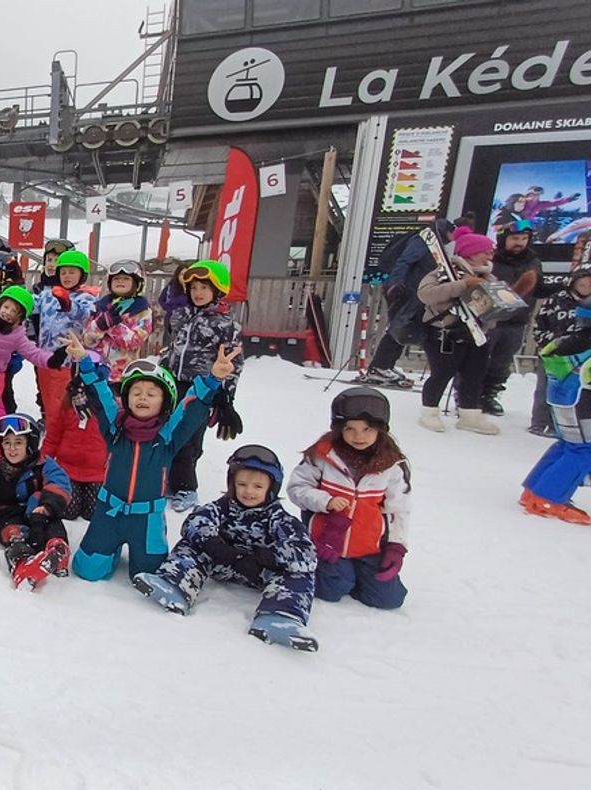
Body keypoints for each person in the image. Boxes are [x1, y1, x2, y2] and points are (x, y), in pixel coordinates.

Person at [67, 333, 240, 584]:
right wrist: (84, 362)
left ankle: (137, 554)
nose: (143, 397)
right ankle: (108, 549)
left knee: (148, 576)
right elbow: (101, 394)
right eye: (136, 392)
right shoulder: (116, 430)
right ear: (127, 399)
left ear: (164, 401)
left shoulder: (167, 436)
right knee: (87, 570)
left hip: (146, 519)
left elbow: (190, 410)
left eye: (151, 393)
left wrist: (213, 379)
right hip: (109, 512)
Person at [133, 445, 319, 652]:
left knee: (301, 573)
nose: (248, 491)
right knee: (190, 545)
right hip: (222, 561)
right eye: (242, 484)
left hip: (259, 571)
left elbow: (307, 553)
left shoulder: (279, 519)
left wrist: (267, 557)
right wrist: (214, 546)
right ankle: (174, 585)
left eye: (257, 486)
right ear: (232, 483)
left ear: (271, 489)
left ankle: (280, 617)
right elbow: (194, 522)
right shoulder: (222, 507)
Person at [286, 387, 410, 610]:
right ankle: (339, 574)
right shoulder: (323, 456)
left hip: (369, 547)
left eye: (367, 429)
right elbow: (297, 488)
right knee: (331, 590)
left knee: (389, 599)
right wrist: (324, 501)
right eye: (350, 429)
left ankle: (358, 575)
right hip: (328, 544)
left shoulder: (390, 465)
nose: (358, 436)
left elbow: (398, 508)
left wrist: (395, 547)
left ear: (380, 429)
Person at [159, 259, 244, 511]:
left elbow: (233, 363)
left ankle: (186, 487)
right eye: (194, 288)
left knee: (189, 437)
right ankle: (165, 480)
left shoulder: (225, 324)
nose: (198, 293)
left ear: (217, 291)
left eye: (204, 288)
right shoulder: (180, 315)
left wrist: (225, 397)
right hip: (173, 383)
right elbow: (173, 345)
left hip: (202, 387)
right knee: (165, 431)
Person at [415, 227, 500, 434]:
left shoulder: (489, 277)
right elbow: (425, 294)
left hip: (477, 333)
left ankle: (470, 414)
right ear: (470, 252)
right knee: (442, 373)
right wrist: (463, 285)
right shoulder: (444, 272)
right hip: (445, 333)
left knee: (475, 374)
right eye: (485, 251)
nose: (490, 255)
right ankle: (429, 412)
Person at [365, 217, 462, 385]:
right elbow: (405, 260)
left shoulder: (434, 242)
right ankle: (379, 367)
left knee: (405, 328)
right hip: (405, 289)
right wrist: (395, 283)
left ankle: (386, 365)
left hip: (413, 290)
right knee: (399, 326)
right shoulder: (423, 240)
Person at [521, 302, 591, 523]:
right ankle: (547, 499)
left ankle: (533, 490)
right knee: (584, 451)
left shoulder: (570, 341)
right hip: (581, 403)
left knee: (566, 446)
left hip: (564, 400)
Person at [0, 412, 72, 590]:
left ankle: (57, 550)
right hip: (10, 514)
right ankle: (22, 563)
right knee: (13, 535)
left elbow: (60, 483)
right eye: (7, 443)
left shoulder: (43, 464)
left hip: (41, 510)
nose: (12, 449)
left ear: (30, 444)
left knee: (53, 525)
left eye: (18, 443)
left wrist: (46, 506)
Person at [478, 219, 544, 416]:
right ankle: (468, 395)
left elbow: (538, 289)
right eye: (515, 238)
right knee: (477, 360)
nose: (520, 243)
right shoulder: (492, 260)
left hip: (517, 320)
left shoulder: (533, 261)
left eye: (524, 238)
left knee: (501, 362)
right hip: (489, 319)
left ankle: (490, 395)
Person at [35, 249, 98, 426]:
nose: (67, 276)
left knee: (61, 404)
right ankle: (51, 430)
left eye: (72, 272)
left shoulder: (87, 298)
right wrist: (14, 297)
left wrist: (68, 305)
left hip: (67, 362)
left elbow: (85, 314)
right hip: (45, 359)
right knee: (47, 400)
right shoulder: (48, 294)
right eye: (63, 272)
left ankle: (60, 436)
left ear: (82, 275)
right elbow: (32, 304)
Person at [529, 263, 591, 436]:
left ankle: (570, 425)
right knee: (545, 389)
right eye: (582, 284)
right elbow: (539, 325)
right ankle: (540, 422)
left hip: (582, 357)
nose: (586, 289)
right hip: (553, 355)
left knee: (575, 391)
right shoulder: (556, 299)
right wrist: (551, 343)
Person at [38, 363, 106, 520]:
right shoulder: (67, 405)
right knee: (68, 511)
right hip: (68, 470)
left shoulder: (107, 408)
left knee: (93, 513)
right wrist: (40, 462)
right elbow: (53, 437)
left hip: (97, 473)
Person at [83, 259, 153, 382]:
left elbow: (135, 342)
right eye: (116, 278)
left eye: (126, 279)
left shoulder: (142, 310)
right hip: (96, 372)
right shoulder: (99, 307)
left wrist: (114, 326)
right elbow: (87, 341)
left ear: (137, 284)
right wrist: (99, 325)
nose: (120, 281)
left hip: (122, 376)